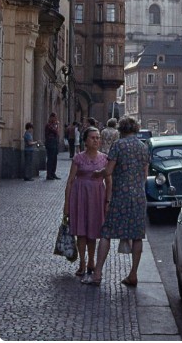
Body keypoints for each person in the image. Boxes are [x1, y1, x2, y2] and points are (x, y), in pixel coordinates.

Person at [89, 116, 150, 287]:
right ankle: (133, 274)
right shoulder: (144, 147)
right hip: (138, 196)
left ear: (121, 129)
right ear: (135, 129)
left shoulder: (118, 145)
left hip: (120, 195)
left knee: (107, 232)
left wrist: (98, 174)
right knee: (137, 236)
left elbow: (108, 171)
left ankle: (97, 274)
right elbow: (145, 175)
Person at [63, 126, 107, 281]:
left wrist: (108, 201)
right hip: (80, 196)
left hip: (97, 197)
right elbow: (70, 181)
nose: (96, 140)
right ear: (85, 141)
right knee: (81, 230)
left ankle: (91, 261)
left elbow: (109, 181)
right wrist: (66, 204)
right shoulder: (78, 158)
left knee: (93, 230)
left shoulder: (104, 158)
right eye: (92, 138)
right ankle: (82, 261)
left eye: (98, 137)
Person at [44, 112, 62, 180]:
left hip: (54, 143)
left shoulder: (53, 125)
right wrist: (57, 125)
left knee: (54, 159)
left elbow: (57, 133)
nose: (56, 119)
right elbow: (56, 132)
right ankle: (49, 174)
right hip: (50, 143)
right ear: (51, 117)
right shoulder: (49, 125)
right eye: (55, 117)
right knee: (50, 159)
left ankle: (53, 173)